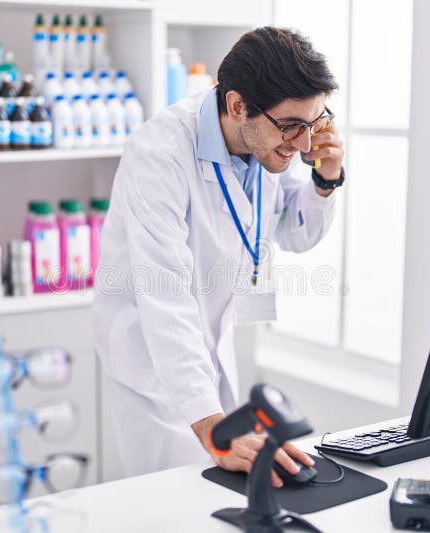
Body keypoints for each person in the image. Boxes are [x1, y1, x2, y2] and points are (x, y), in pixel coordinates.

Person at [93, 26, 344, 484]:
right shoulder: (159, 154)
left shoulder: (271, 145)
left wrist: (325, 180)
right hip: (152, 362)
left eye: (315, 123)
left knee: (226, 492)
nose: (304, 143)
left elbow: (293, 234)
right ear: (236, 106)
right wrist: (212, 428)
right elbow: (165, 298)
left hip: (211, 342)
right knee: (172, 503)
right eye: (292, 126)